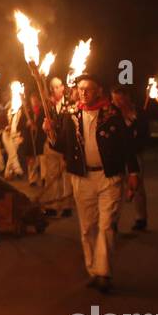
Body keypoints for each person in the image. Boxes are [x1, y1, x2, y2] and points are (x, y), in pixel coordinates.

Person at [44, 74, 141, 293]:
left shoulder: (111, 114)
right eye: (80, 88)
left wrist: (133, 171)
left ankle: (103, 272)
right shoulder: (71, 115)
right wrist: (50, 131)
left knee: (106, 225)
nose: (83, 93)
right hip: (82, 177)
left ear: (98, 91)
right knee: (87, 227)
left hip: (109, 177)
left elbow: (126, 145)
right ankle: (93, 270)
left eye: (88, 89)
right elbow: (62, 146)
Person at [112, 85, 150, 231]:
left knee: (138, 186)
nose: (116, 103)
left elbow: (144, 134)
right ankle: (113, 220)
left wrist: (135, 139)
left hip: (135, 154)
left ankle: (141, 217)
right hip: (118, 156)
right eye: (114, 100)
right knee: (116, 188)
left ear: (127, 97)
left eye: (119, 99)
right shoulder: (113, 115)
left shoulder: (139, 113)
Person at [39, 77, 73, 217]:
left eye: (60, 86)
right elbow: (43, 123)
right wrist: (45, 126)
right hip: (51, 145)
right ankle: (52, 205)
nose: (59, 89)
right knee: (51, 176)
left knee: (66, 177)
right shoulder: (48, 106)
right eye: (55, 87)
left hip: (64, 145)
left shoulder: (69, 103)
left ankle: (66, 206)